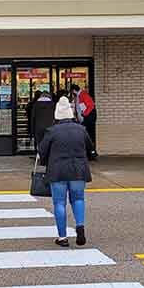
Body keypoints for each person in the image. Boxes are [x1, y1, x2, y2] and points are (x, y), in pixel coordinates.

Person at [38, 95, 93, 248]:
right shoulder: (81, 130)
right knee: (78, 199)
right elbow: (90, 147)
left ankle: (62, 237)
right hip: (78, 170)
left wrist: (45, 162)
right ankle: (80, 227)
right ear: (70, 113)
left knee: (59, 203)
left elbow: (42, 151)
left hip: (57, 171)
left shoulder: (52, 131)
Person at [71, 84, 98, 157]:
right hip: (87, 118)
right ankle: (90, 153)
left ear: (73, 90)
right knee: (86, 135)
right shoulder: (80, 95)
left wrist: (84, 114)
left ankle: (91, 153)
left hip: (89, 118)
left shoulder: (83, 95)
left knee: (88, 135)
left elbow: (91, 105)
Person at [31, 87, 55, 154]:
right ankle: (48, 157)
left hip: (38, 127)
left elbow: (33, 118)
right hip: (50, 127)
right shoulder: (52, 104)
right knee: (49, 143)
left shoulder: (36, 105)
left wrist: (32, 131)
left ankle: (41, 158)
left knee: (40, 143)